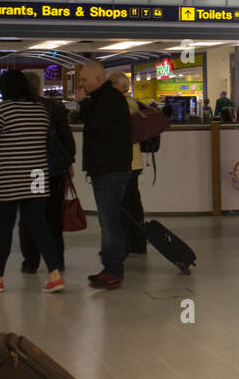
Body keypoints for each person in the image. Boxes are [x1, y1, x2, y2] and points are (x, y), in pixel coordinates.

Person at [0, 70, 65, 293]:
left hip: (8, 177)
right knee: (39, 226)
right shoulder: (40, 111)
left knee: (4, 230)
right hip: (37, 175)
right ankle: (54, 274)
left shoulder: (2, 111)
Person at [76, 61, 133, 290]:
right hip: (112, 168)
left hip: (109, 169)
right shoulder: (106, 98)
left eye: (84, 80)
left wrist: (82, 103)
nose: (81, 84)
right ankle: (111, 265)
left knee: (108, 221)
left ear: (98, 79)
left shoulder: (106, 100)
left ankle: (113, 270)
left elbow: (96, 127)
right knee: (110, 219)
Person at [18, 69, 76, 276]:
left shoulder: (18, 108)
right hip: (53, 170)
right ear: (39, 87)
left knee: (29, 216)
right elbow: (66, 138)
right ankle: (57, 260)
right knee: (53, 216)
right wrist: (69, 162)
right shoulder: (52, 106)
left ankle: (31, 261)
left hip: (31, 171)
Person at [111, 72, 148, 256]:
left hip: (126, 162)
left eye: (111, 83)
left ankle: (128, 244)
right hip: (134, 160)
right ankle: (138, 244)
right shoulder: (132, 102)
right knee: (133, 203)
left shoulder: (122, 104)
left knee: (125, 205)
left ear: (119, 85)